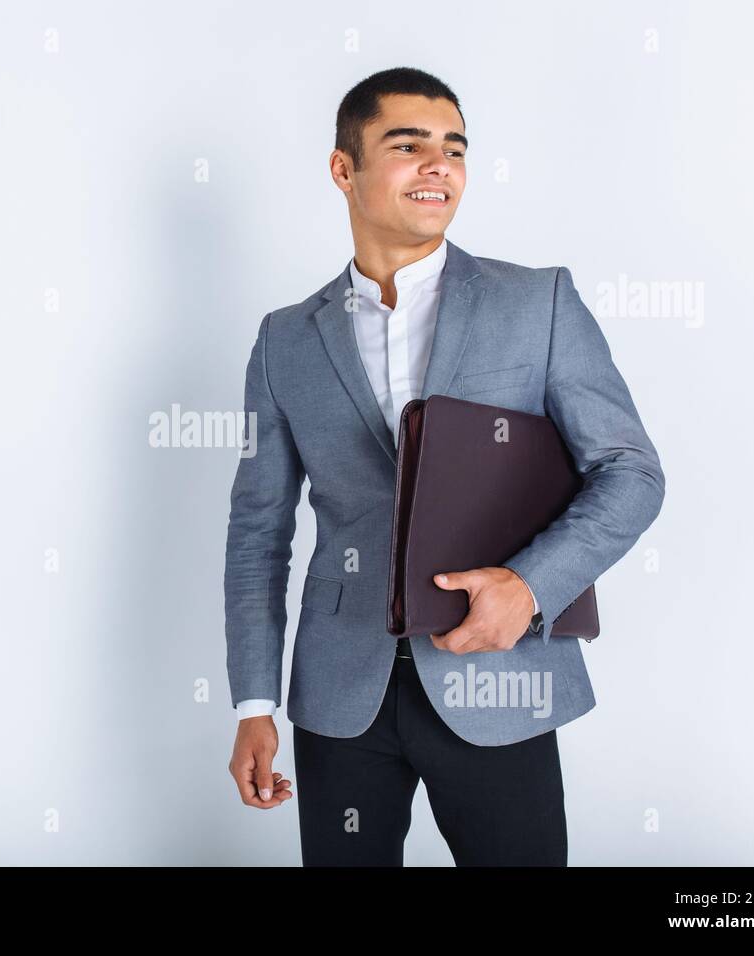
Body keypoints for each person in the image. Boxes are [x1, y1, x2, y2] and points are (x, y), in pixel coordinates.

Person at [223, 66, 666, 866]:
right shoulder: (284, 339)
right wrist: (254, 702)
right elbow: (258, 533)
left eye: (453, 149)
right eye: (408, 144)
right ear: (343, 169)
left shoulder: (539, 305)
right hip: (340, 697)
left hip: (499, 677)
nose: (439, 166)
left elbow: (632, 471)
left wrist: (529, 588)